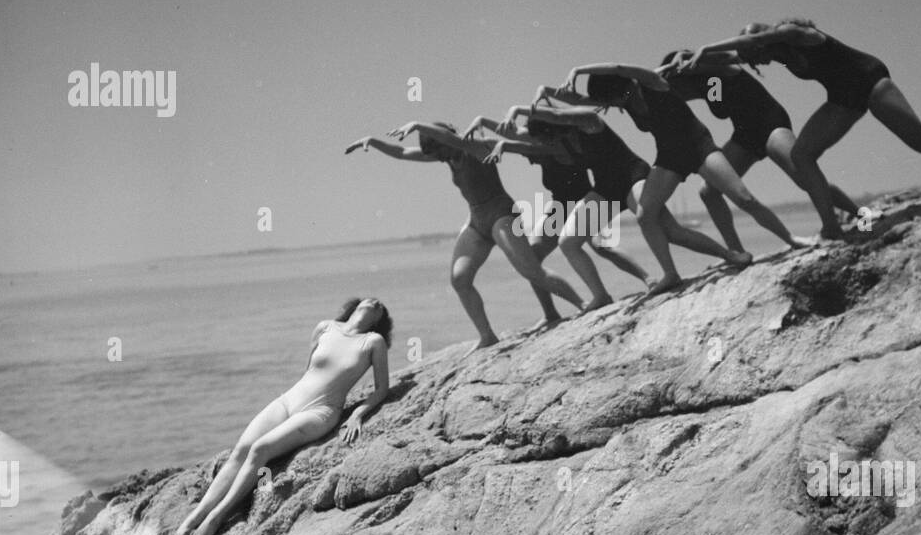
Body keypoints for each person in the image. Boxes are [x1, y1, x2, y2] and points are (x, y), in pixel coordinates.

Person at [687, 20, 921, 238]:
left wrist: (707, 46)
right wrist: (690, 61)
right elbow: (737, 53)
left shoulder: (796, 33)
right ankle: (831, 227)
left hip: (869, 81)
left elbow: (754, 40)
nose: (758, 60)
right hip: (843, 99)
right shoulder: (774, 53)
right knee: (802, 155)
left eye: (755, 52)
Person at [555, 65, 814, 294]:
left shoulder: (654, 84)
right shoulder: (623, 100)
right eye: (612, 100)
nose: (618, 103)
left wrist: (578, 70)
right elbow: (576, 100)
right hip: (669, 157)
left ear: (626, 85)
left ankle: (790, 238)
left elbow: (621, 68)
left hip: (699, 146)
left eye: (618, 96)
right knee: (646, 215)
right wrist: (545, 93)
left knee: (743, 198)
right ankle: (670, 273)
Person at [173, 297, 393, 535]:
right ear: (354, 307)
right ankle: (195, 516)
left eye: (380, 307)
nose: (374, 301)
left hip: (321, 411)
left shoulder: (373, 342)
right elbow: (309, 371)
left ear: (379, 321)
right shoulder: (325, 327)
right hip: (288, 400)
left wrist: (357, 414)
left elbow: (381, 389)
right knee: (241, 451)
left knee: (260, 450)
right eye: (368, 299)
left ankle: (215, 518)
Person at [347, 121, 584, 350]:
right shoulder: (446, 154)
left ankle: (583, 306)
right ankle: (487, 336)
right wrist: (373, 142)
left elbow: (452, 138)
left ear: (444, 140)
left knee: (530, 269)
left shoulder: (474, 146)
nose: (439, 157)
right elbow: (401, 151)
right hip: (477, 221)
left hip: (503, 215)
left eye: (439, 150)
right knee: (460, 279)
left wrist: (418, 124)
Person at [657, 48, 862, 253]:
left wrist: (683, 62)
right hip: (746, 135)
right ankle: (736, 252)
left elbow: (706, 65)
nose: (678, 95)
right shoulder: (708, 86)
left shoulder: (721, 69)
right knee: (709, 191)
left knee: (803, 177)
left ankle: (861, 216)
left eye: (676, 88)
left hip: (770, 123)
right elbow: (709, 96)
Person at [462, 112, 650, 318]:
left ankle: (647, 279)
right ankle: (550, 313)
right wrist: (483, 122)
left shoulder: (558, 145)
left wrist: (505, 144)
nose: (530, 156)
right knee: (531, 257)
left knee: (603, 247)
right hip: (559, 207)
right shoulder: (539, 150)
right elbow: (515, 139)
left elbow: (522, 143)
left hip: (585, 201)